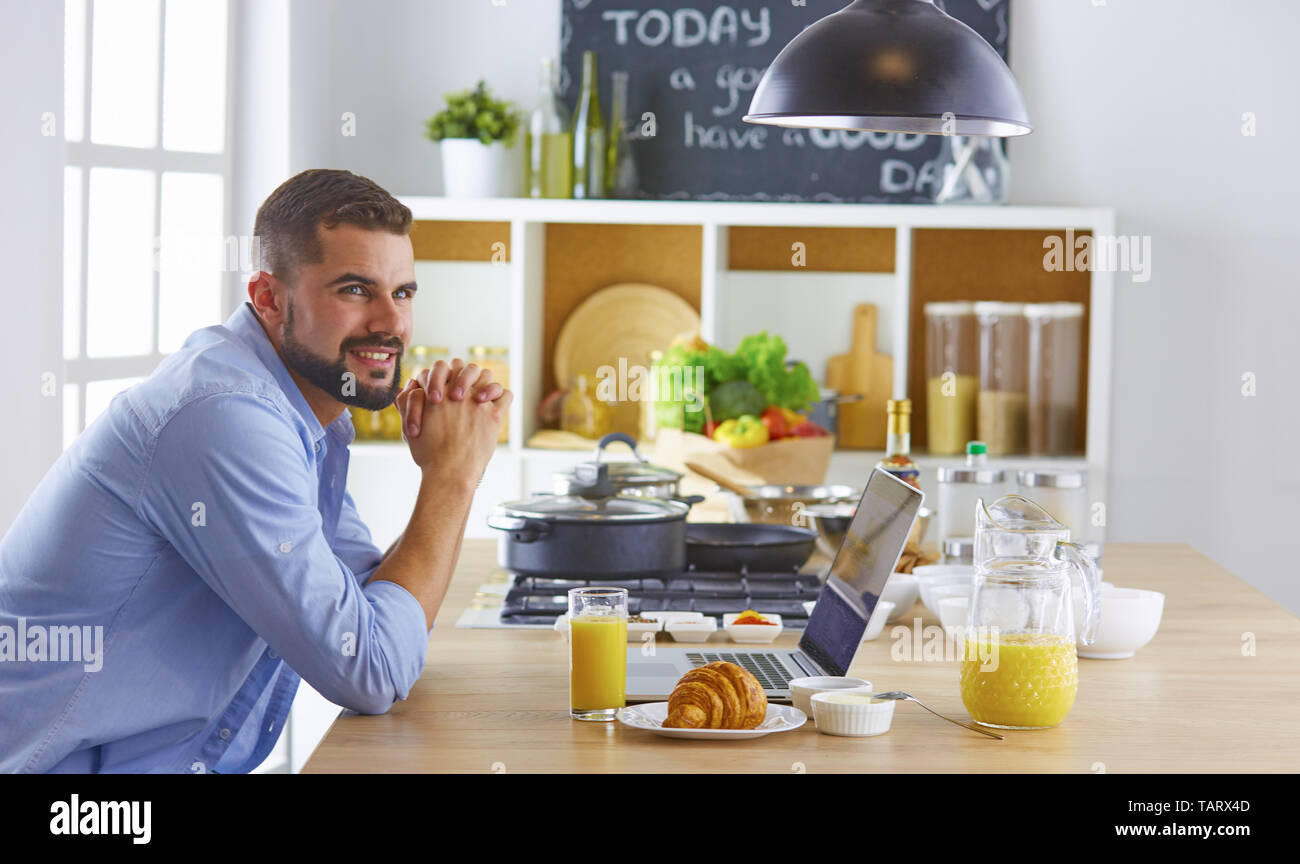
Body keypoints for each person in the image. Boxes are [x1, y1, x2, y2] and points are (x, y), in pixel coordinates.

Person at [0, 168, 509, 772]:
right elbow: (370, 669)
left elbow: (367, 616)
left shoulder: (305, 418)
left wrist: (446, 474)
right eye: (355, 290)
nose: (390, 323)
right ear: (269, 297)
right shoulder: (227, 420)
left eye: (402, 293)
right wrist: (451, 478)